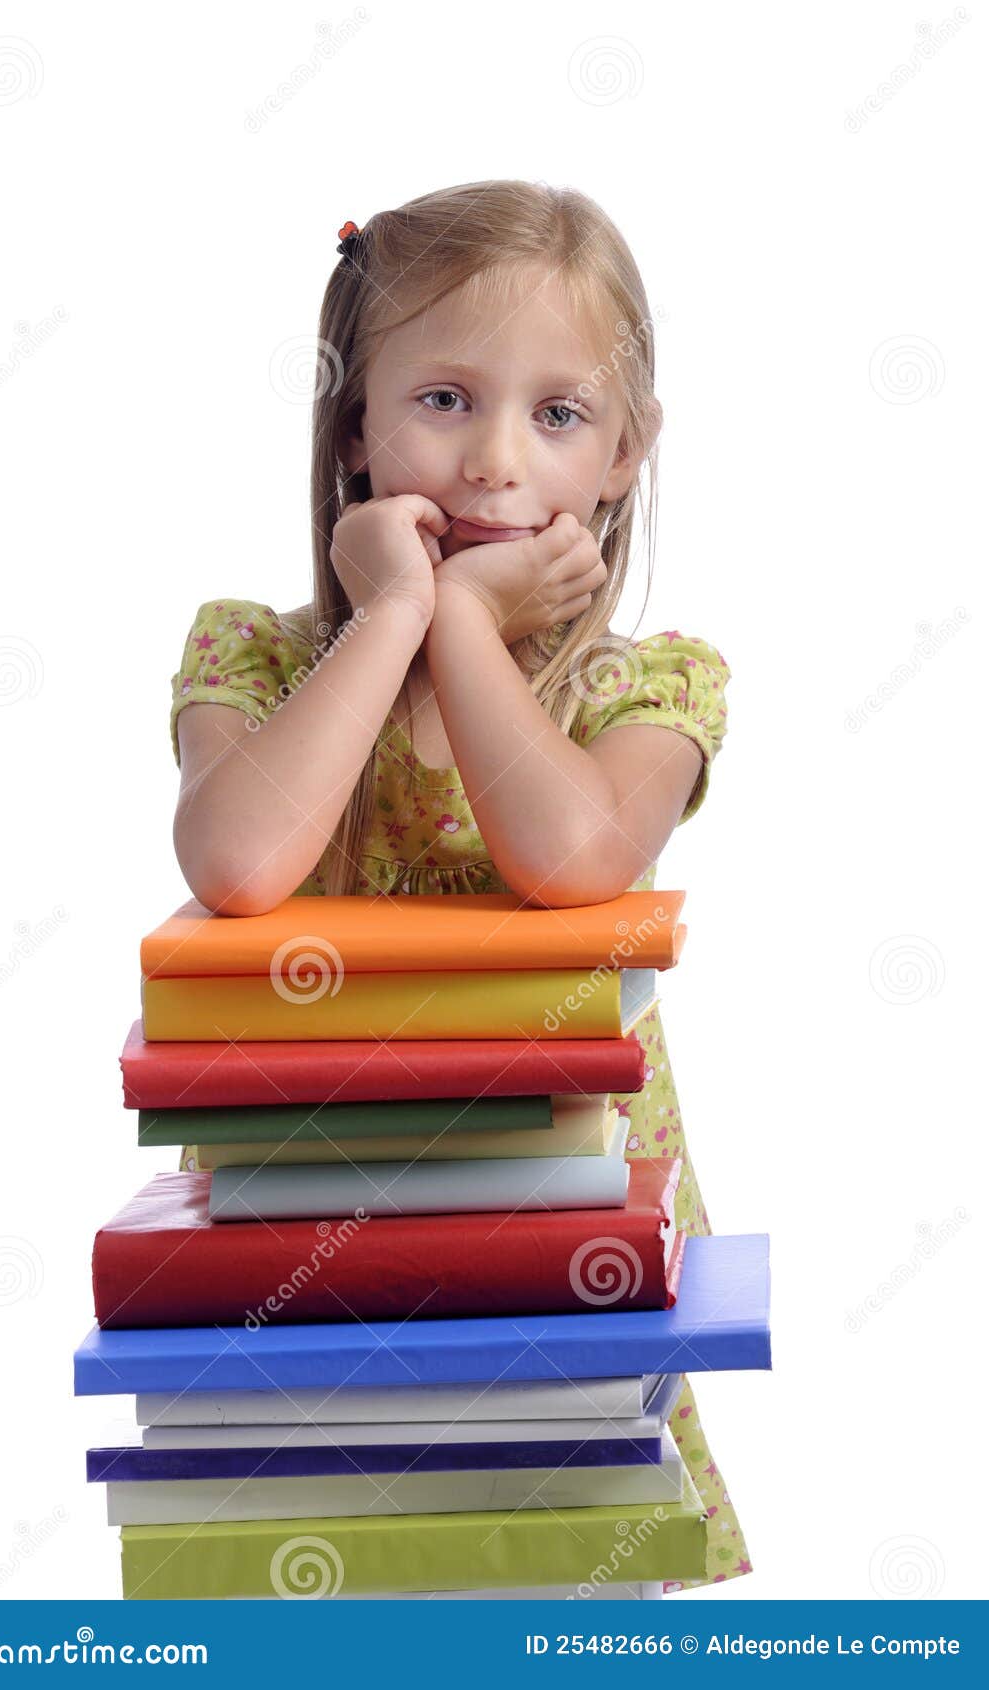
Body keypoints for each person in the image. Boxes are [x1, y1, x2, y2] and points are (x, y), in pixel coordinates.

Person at [167, 179, 748, 1592]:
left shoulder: (643, 686)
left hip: (562, 1224)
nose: (494, 463)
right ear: (353, 427)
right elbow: (241, 862)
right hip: (302, 1218)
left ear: (624, 452)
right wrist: (395, 618)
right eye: (442, 397)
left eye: (556, 413)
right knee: (331, 1558)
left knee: (552, 1565)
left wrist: (466, 637)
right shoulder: (252, 658)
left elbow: (571, 858)